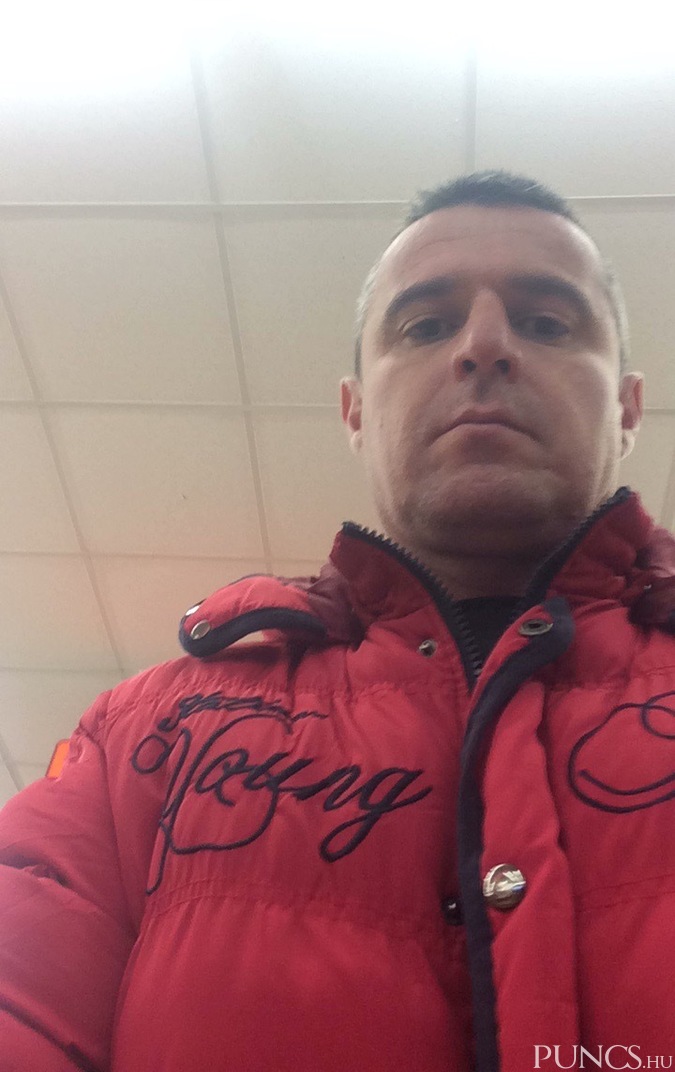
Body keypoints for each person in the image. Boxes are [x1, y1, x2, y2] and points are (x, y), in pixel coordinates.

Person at [1, 169, 674, 1072]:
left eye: (547, 322)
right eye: (425, 326)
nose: (483, 346)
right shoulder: (140, 736)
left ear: (626, 407)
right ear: (355, 412)